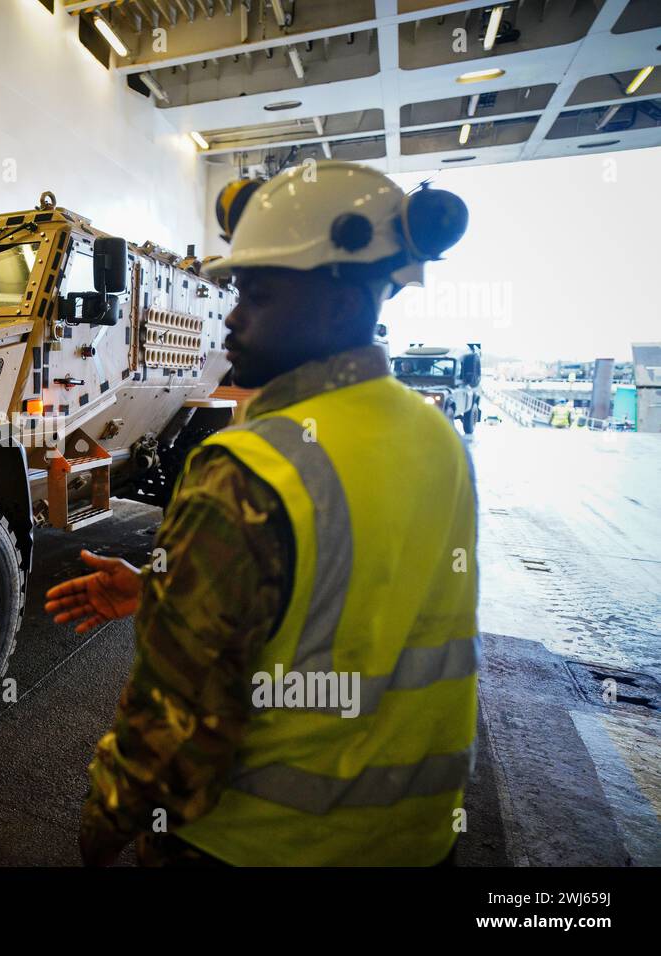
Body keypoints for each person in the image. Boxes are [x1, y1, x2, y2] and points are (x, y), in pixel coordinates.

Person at [45, 160, 479, 867]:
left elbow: (173, 736)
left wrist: (102, 826)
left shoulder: (248, 466)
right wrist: (167, 591)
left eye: (257, 294)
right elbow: (349, 595)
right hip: (418, 840)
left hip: (253, 843)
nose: (232, 317)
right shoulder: (437, 439)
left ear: (340, 305)